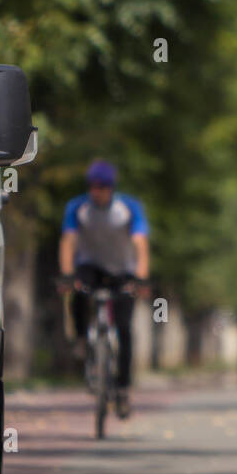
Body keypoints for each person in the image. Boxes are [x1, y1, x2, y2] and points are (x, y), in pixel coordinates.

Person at [58, 159, 150, 418]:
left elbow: (140, 243)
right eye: (92, 186)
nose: (95, 192)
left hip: (122, 270)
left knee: (124, 328)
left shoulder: (128, 208)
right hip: (90, 266)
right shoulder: (78, 208)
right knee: (78, 291)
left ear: (111, 188)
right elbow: (68, 241)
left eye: (101, 187)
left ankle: (123, 389)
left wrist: (141, 279)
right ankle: (81, 340)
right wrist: (67, 274)